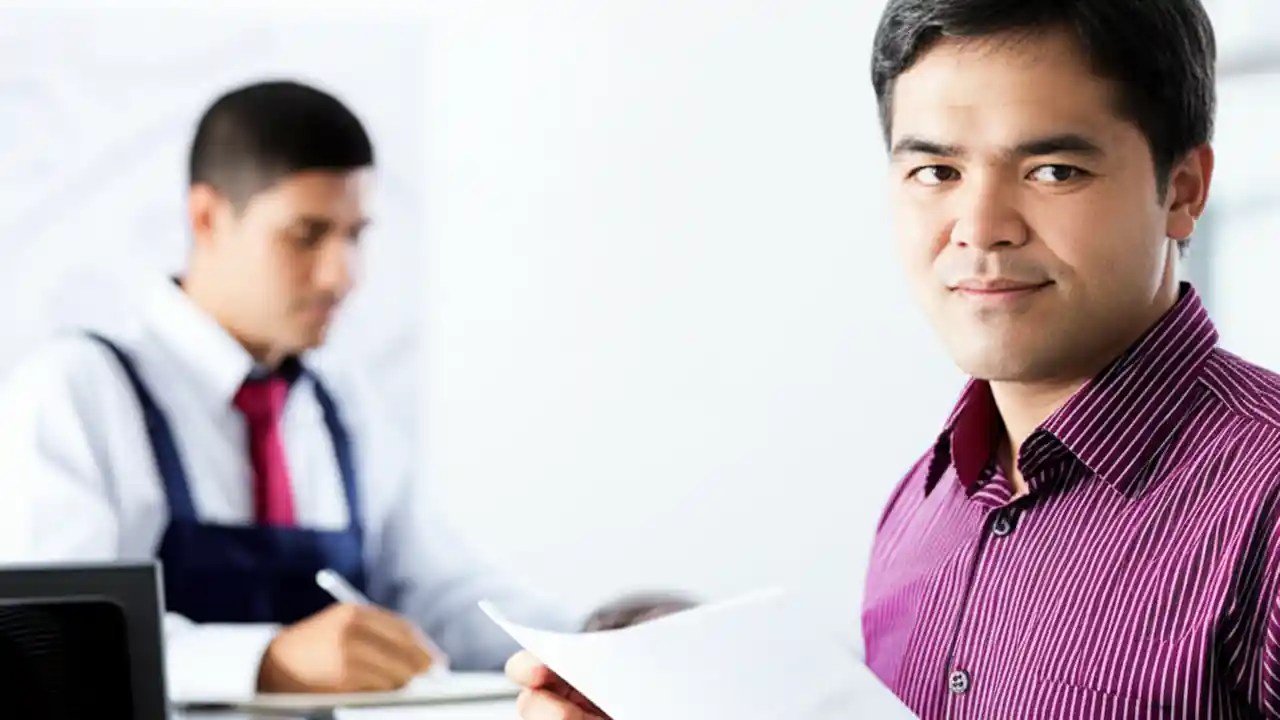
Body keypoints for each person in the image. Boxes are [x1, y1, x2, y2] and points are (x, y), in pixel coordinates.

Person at [503, 0, 1280, 717]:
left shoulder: (1266, 498)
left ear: (1182, 189)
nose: (979, 228)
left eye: (1053, 171)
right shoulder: (925, 502)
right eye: (936, 173)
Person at [0, 80, 633, 701]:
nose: (343, 276)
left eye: (355, 235)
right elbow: (49, 637)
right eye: (306, 235)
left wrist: (596, 645)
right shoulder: (74, 393)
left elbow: (439, 595)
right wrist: (266, 659)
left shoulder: (341, 404)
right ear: (207, 217)